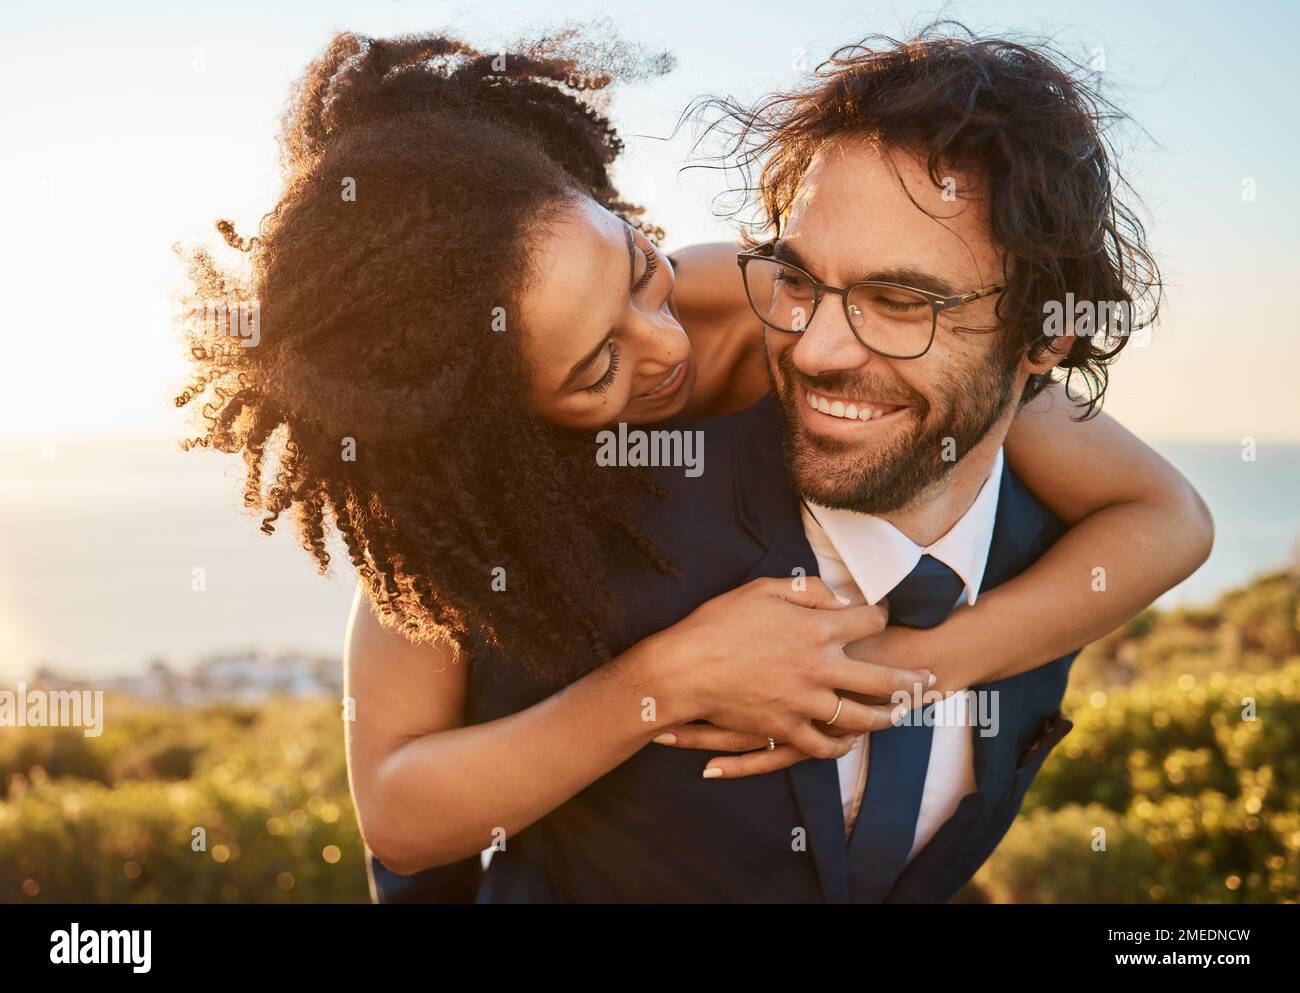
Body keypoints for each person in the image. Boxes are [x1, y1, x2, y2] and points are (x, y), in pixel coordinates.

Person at [175, 27, 1212, 902]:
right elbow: (399, 813)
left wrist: (904, 671)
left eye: (637, 270)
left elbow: (1158, 512)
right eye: (593, 370)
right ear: (492, 416)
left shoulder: (756, 300)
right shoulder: (466, 499)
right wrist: (662, 684)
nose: (666, 346)